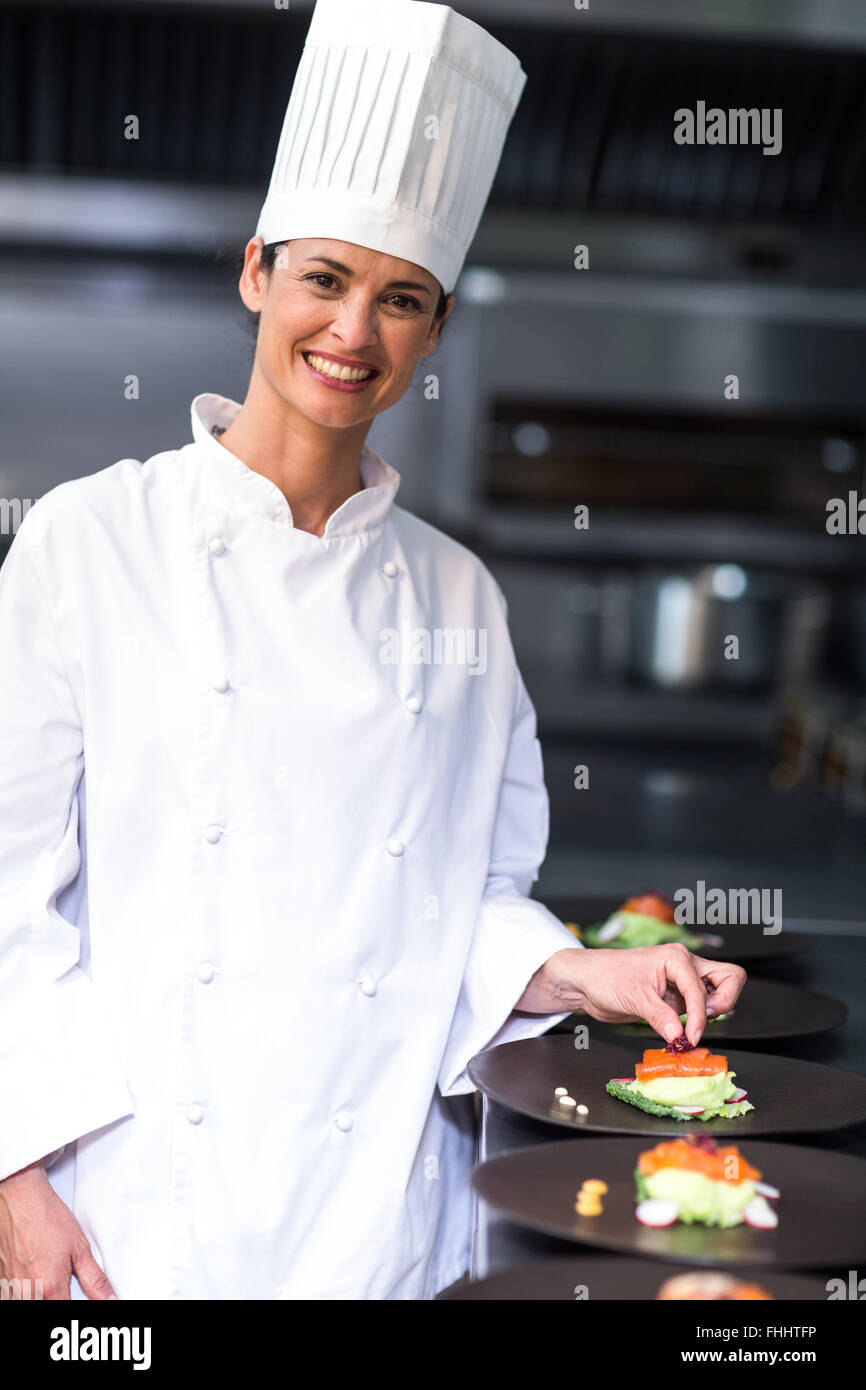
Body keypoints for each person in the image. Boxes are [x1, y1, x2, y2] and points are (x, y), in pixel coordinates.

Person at [0, 0, 745, 1300]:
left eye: (401, 300)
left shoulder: (458, 595)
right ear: (255, 274)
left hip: (378, 1221)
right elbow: (5, 907)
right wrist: (14, 1176)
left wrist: (573, 966)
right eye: (325, 280)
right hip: (124, 1216)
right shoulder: (89, 543)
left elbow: (461, 900)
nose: (354, 333)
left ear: (435, 330)